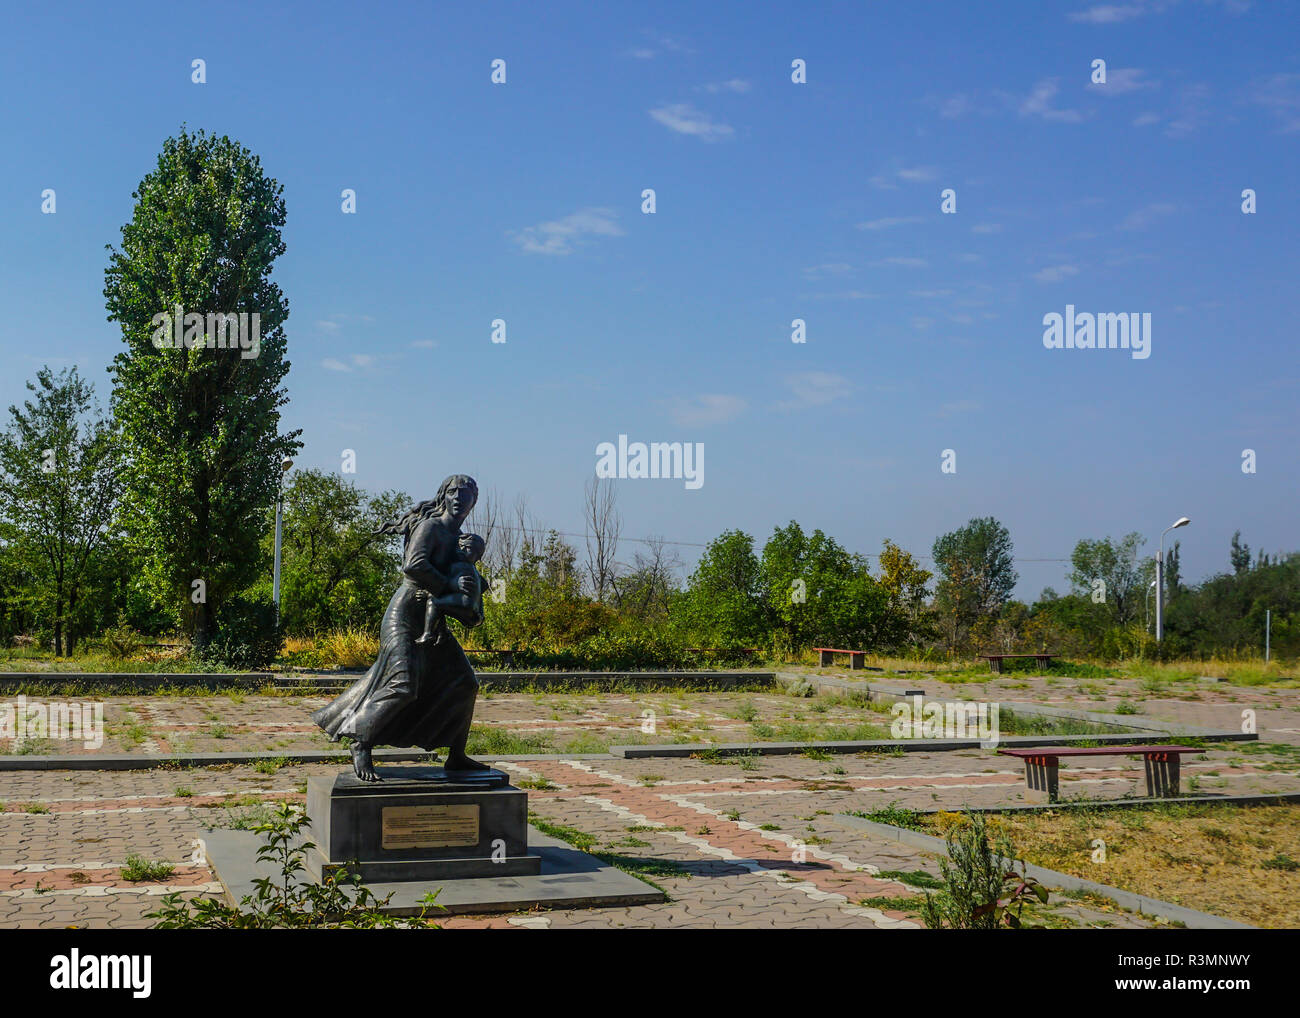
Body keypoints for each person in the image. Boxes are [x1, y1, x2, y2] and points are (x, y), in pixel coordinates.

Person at [311, 474, 488, 782]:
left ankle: (456, 756)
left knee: (465, 682)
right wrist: (451, 585)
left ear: (474, 502)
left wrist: (469, 602)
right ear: (443, 497)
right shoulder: (431, 527)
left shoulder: (460, 539)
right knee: (402, 684)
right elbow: (414, 565)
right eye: (454, 492)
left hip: (433, 620)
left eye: (466, 494)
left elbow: (464, 585)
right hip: (405, 614)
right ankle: (360, 742)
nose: (459, 498)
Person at [415, 532, 486, 646]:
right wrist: (480, 614)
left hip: (466, 605)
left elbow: (445, 585)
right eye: (461, 547)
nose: (462, 550)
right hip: (474, 612)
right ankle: (442, 633)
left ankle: (428, 634)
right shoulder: (475, 572)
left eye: (468, 548)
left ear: (478, 556)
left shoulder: (459, 566)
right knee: (442, 607)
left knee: (434, 602)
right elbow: (483, 587)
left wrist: (428, 593)